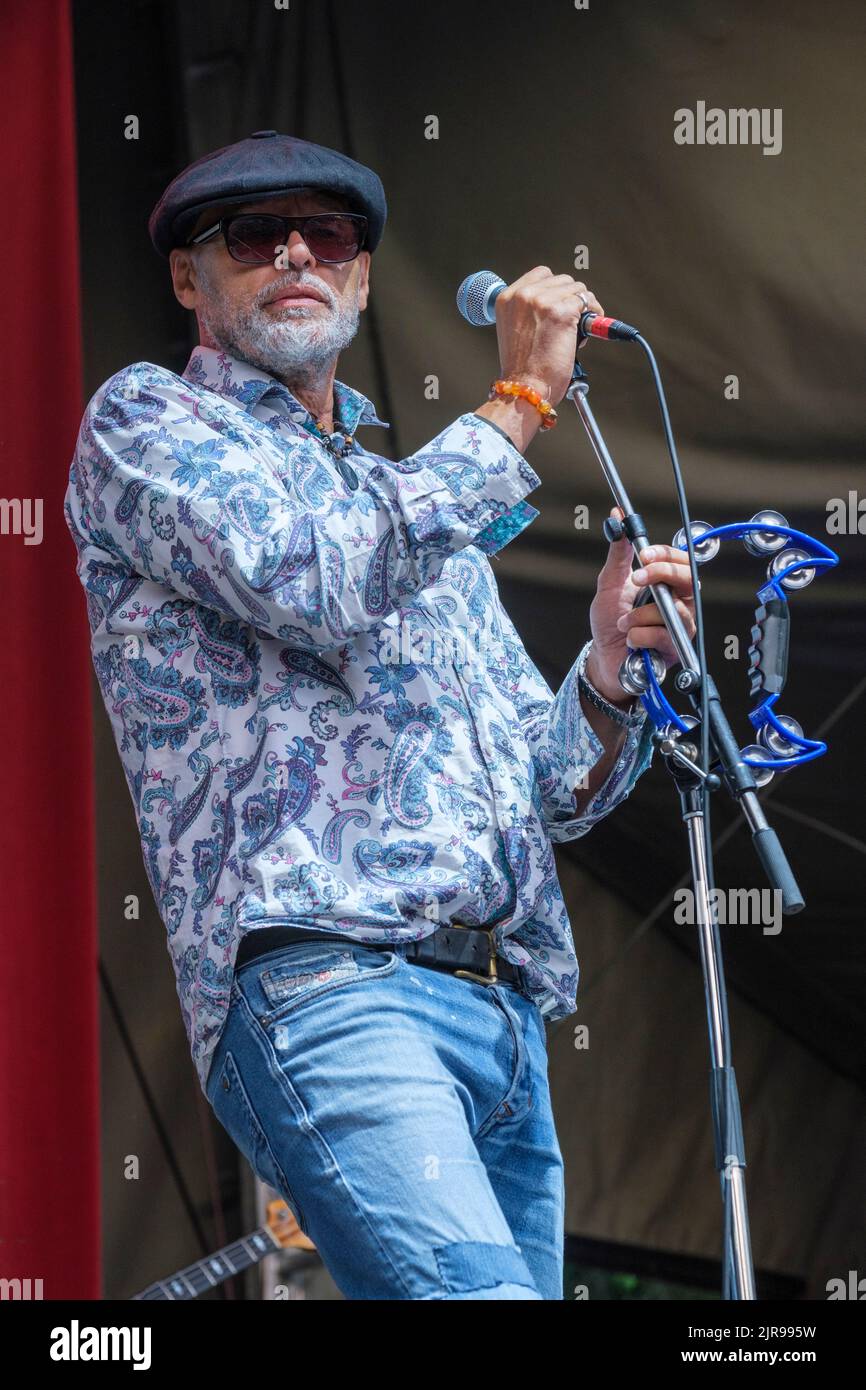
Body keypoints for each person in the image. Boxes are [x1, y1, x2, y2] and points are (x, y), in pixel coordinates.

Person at [64, 131, 696, 1300]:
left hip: (500, 1013)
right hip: (330, 985)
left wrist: (607, 672)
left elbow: (551, 787)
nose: (296, 250)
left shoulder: (405, 498)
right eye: (253, 235)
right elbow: (311, 578)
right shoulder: (147, 425)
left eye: (331, 234)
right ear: (188, 280)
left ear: (358, 277)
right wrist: (515, 404)